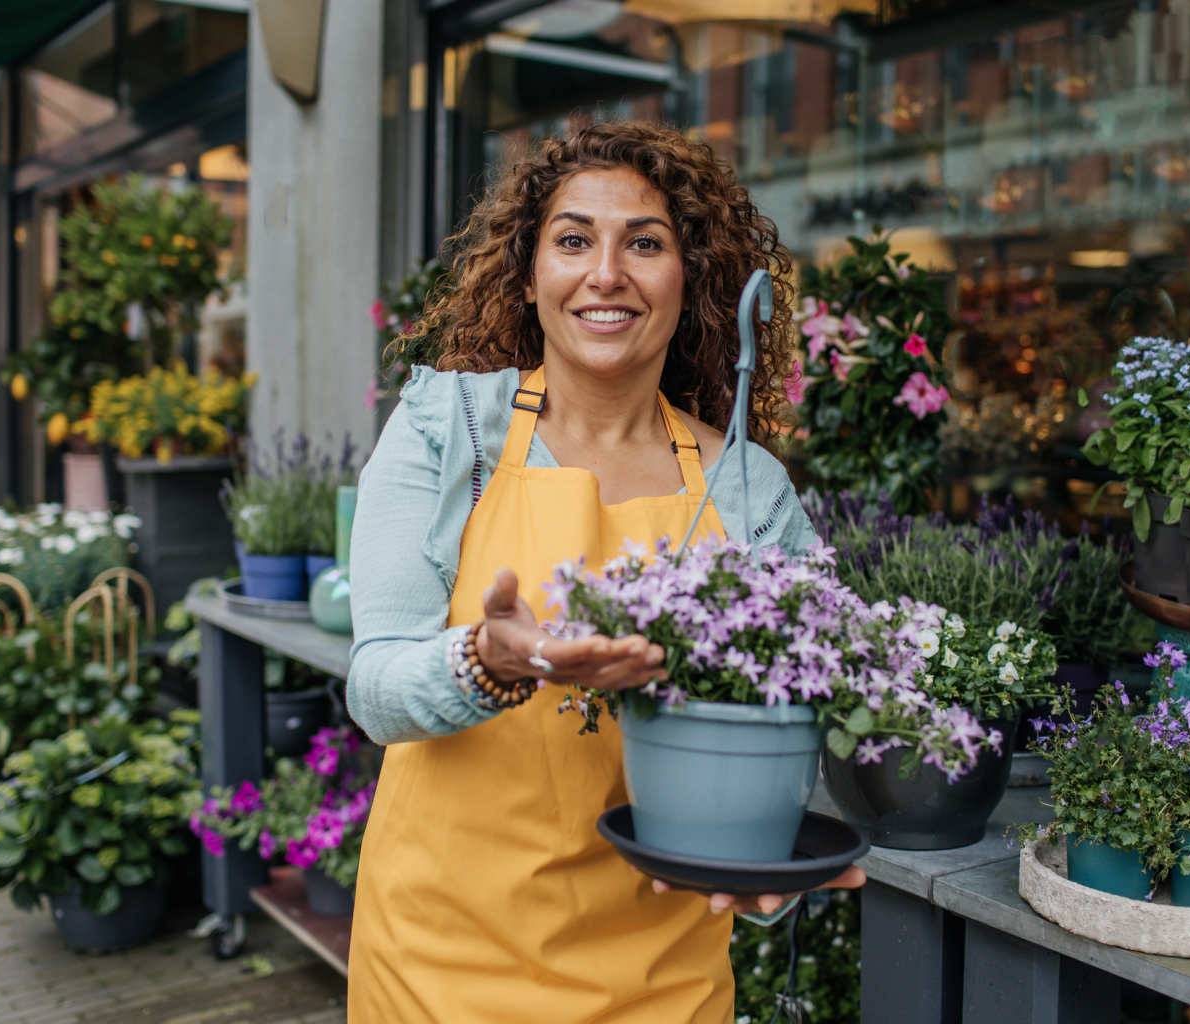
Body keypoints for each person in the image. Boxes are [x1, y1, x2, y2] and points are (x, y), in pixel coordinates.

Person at [345, 121, 864, 1023]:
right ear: (529, 270)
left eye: (646, 243)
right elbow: (377, 684)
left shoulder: (747, 490)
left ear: (689, 277)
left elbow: (797, 705)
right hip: (443, 956)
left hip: (662, 967)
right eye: (574, 239)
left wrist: (770, 852)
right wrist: (488, 660)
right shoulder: (445, 431)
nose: (606, 273)